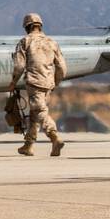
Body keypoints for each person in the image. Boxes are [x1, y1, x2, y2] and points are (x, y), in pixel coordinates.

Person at [8, 13, 67, 156]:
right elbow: (62, 67)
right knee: (34, 114)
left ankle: (54, 137)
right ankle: (28, 145)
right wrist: (56, 81)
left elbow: (19, 66)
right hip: (48, 83)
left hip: (34, 82)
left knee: (40, 112)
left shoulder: (25, 42)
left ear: (27, 27)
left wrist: (13, 81)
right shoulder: (52, 42)